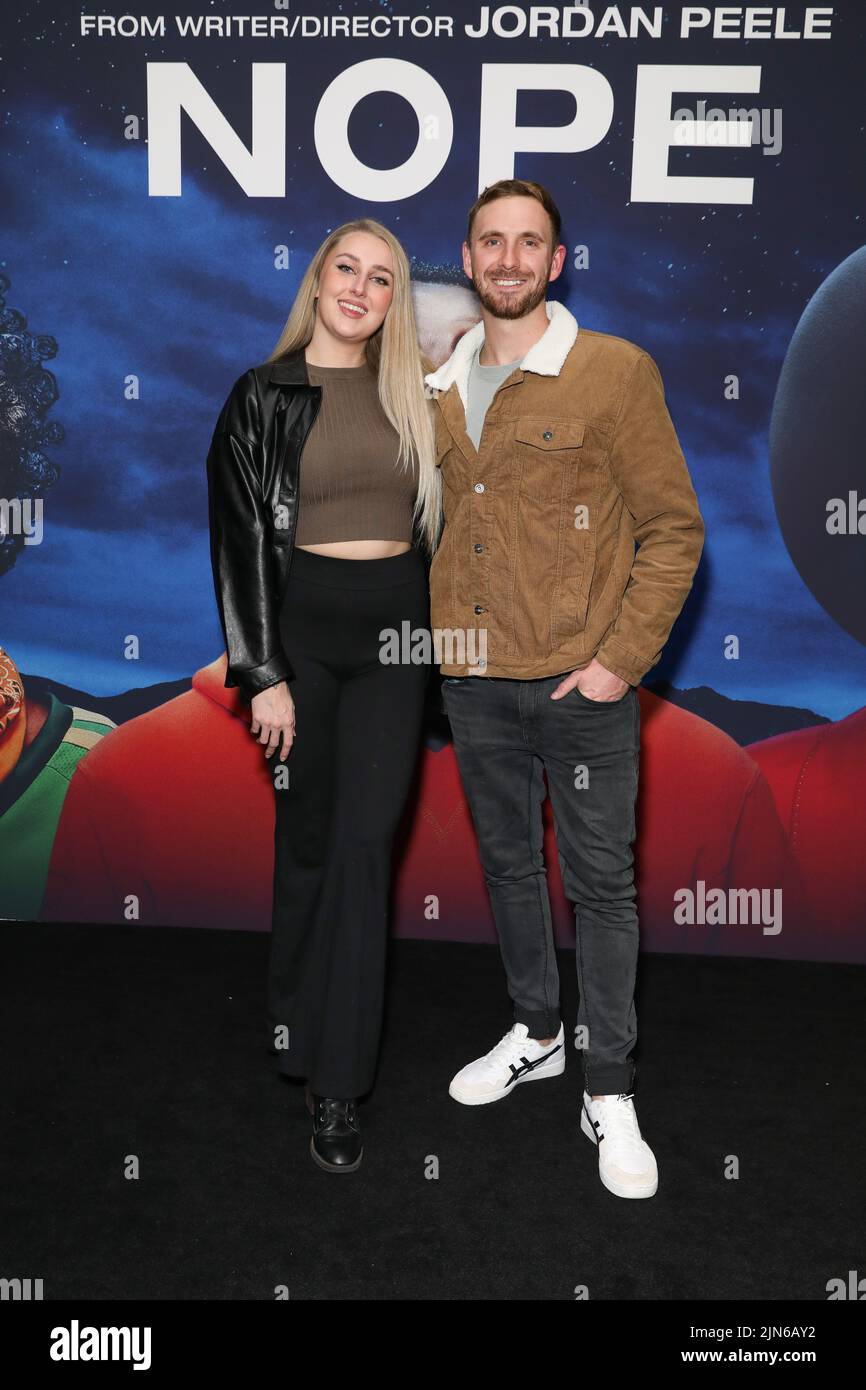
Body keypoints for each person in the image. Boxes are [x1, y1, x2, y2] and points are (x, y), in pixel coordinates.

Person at [425, 178, 705, 1199]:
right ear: (466, 259)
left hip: (581, 688)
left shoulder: (610, 373)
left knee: (599, 889)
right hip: (471, 682)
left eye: (527, 242)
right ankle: (536, 1031)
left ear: (555, 262)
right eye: (488, 241)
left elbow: (673, 529)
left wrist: (617, 663)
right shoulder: (438, 382)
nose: (506, 257)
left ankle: (609, 1084)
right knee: (507, 870)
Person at [205, 218, 441, 1172]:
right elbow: (236, 542)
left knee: (358, 845)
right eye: (346, 268)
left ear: (394, 302)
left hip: (396, 635)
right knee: (305, 843)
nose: (361, 287)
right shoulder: (261, 397)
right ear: (317, 281)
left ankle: (337, 1086)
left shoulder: (415, 399)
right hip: (299, 633)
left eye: (382, 278)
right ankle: (293, 1029)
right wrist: (263, 674)